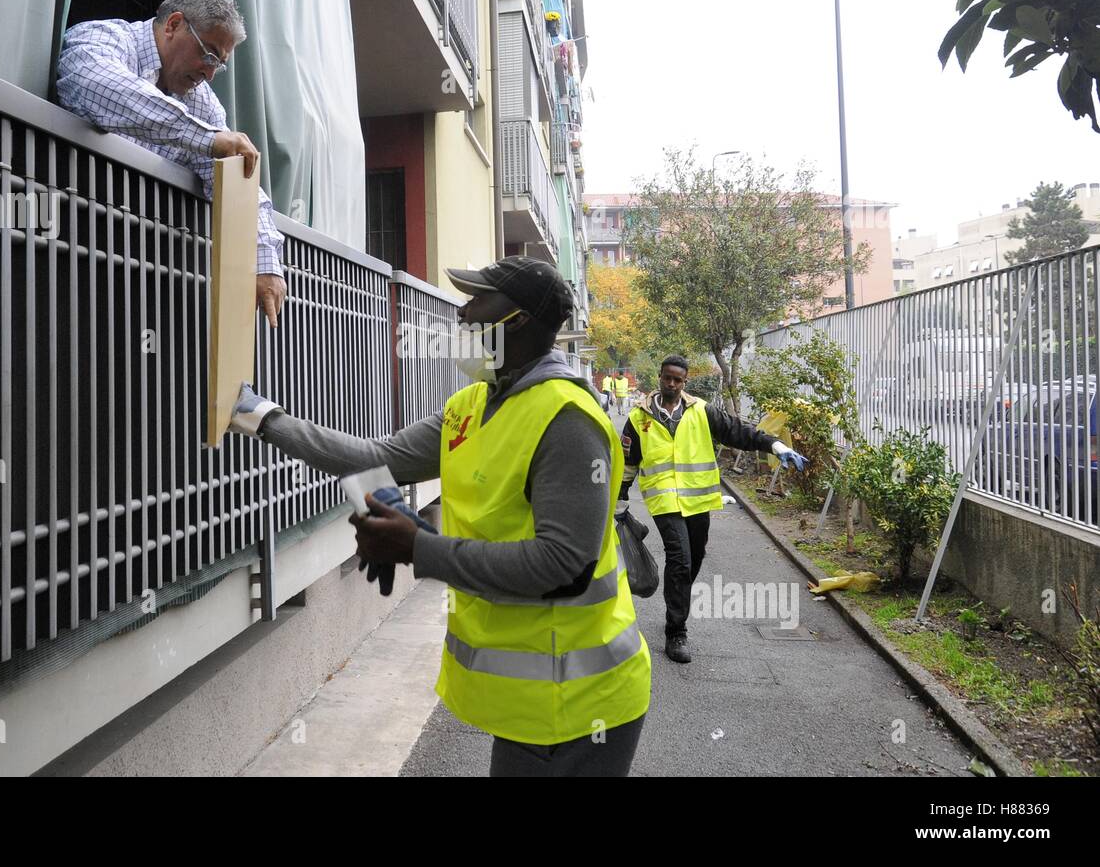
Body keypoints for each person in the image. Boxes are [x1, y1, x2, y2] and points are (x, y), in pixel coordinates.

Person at [230, 256, 651, 776]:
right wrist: (261, 417)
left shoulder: (567, 419)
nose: (462, 313)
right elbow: (372, 458)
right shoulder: (473, 404)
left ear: (515, 321)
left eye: (476, 301)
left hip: (585, 707)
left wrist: (418, 547)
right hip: (531, 707)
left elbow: (564, 564)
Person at [56, 0, 288, 326]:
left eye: (219, 65)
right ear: (173, 25)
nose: (210, 74)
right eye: (209, 55)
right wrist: (208, 138)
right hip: (61, 247)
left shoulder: (202, 102)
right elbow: (102, 90)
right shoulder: (104, 38)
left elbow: (237, 174)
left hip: (132, 278)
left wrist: (266, 261)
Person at [618, 355, 807, 664]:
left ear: (685, 382)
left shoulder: (702, 412)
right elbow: (628, 463)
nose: (671, 384)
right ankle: (676, 632)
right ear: (660, 377)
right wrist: (620, 498)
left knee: (693, 560)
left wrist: (775, 445)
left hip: (698, 501)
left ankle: (676, 600)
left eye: (678, 380)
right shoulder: (640, 418)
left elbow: (739, 433)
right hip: (664, 501)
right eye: (667, 378)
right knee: (679, 559)